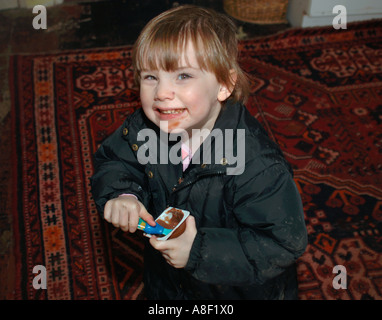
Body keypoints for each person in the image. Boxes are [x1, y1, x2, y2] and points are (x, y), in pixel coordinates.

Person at [90, 5, 308, 300]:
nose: (162, 93)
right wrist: (123, 195)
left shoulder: (256, 166)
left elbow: (283, 244)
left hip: (233, 290)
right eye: (150, 77)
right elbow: (116, 161)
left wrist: (198, 251)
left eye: (182, 76)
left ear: (224, 84)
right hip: (168, 282)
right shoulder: (145, 129)